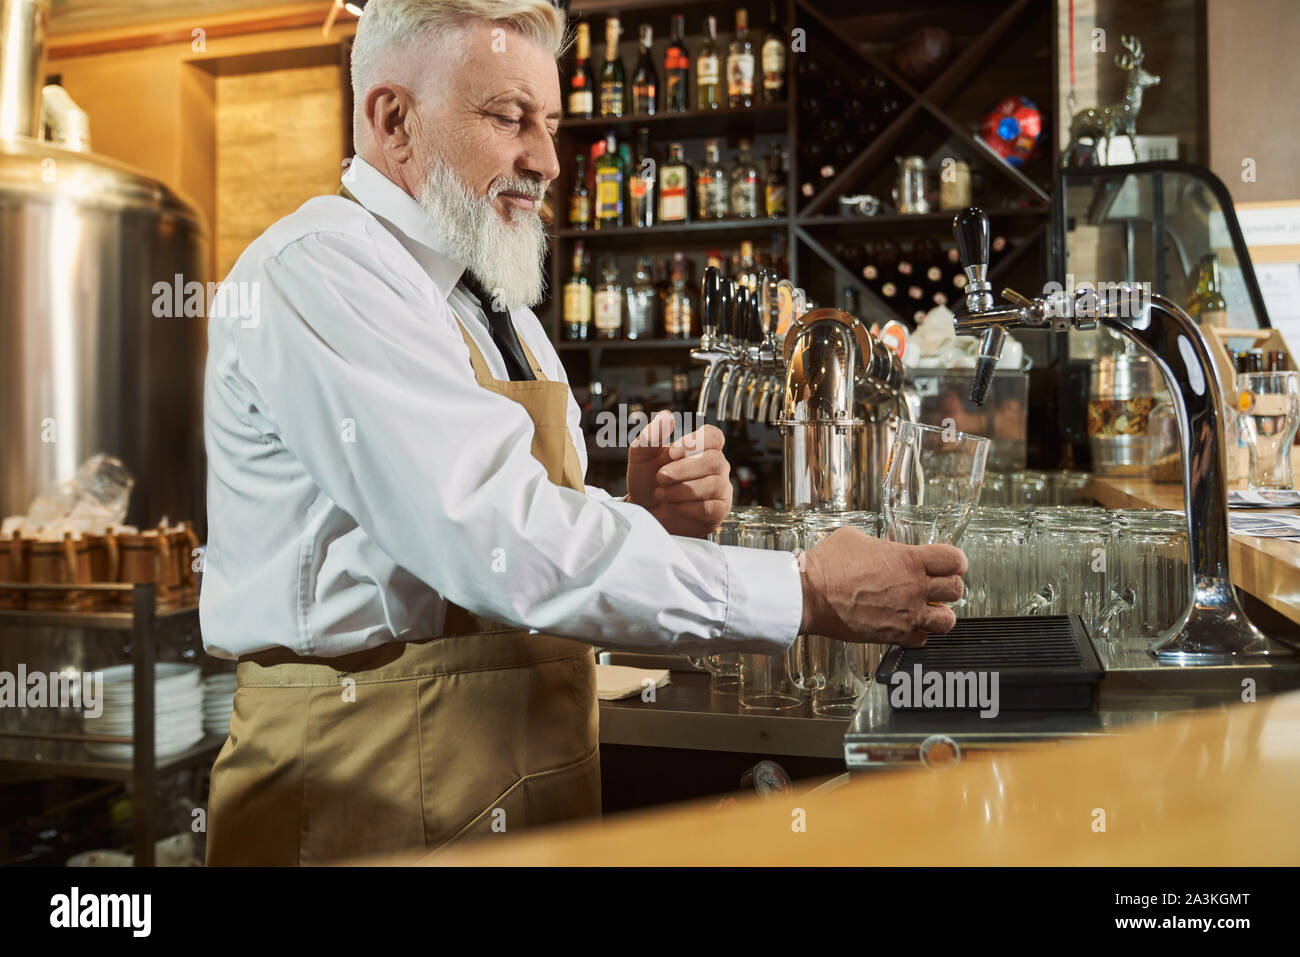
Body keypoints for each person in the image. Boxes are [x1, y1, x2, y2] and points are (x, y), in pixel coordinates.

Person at [201, 0, 966, 865]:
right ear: (394, 120)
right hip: (363, 786)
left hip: (514, 777)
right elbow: (495, 535)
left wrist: (639, 514)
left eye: (552, 124)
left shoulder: (490, 298)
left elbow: (518, 541)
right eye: (508, 118)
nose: (547, 161)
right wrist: (804, 592)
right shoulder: (322, 270)